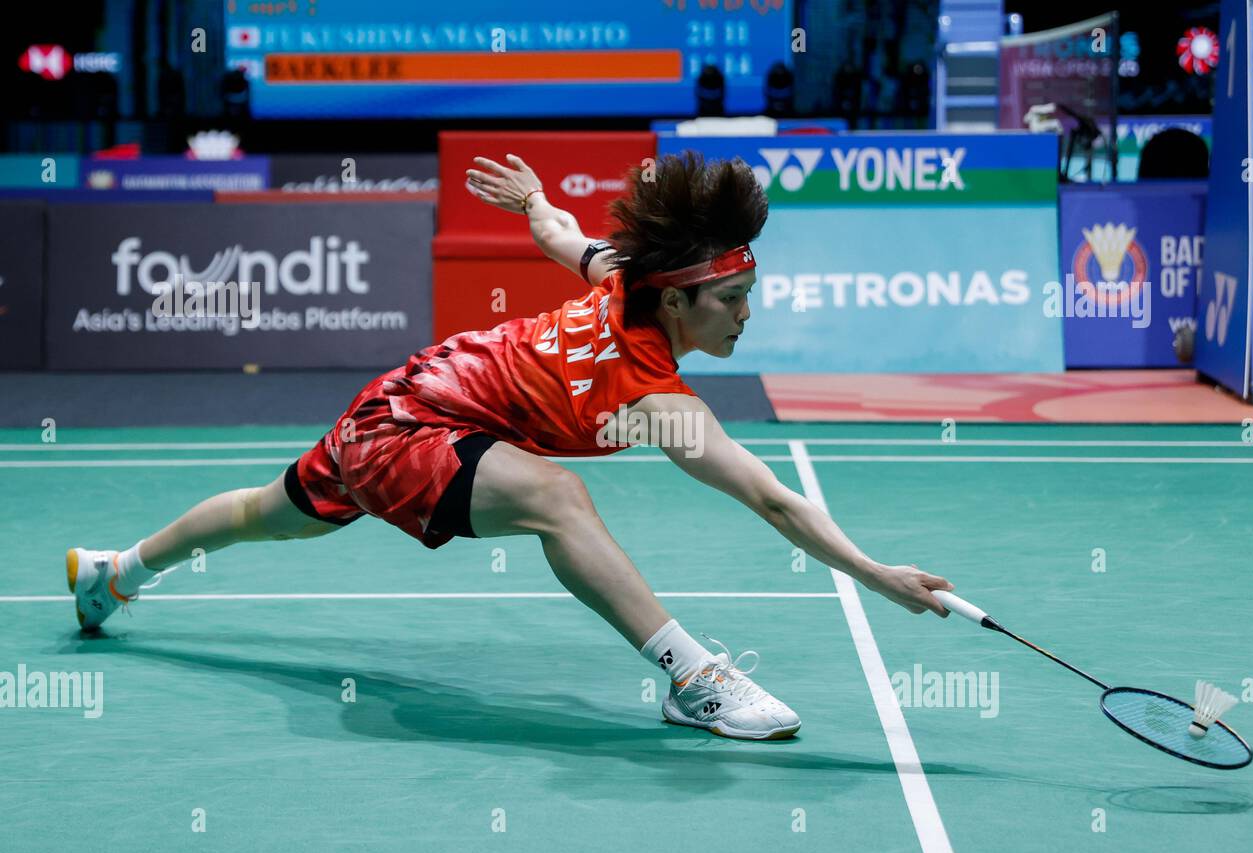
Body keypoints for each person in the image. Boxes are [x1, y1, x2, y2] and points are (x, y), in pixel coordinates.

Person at [67, 150, 952, 741]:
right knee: (556, 499)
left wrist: (533, 201)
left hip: (407, 399)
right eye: (730, 300)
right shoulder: (652, 395)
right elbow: (770, 497)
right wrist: (881, 576)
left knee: (274, 513)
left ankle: (115, 575)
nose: (746, 316)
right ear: (677, 300)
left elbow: (563, 235)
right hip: (410, 426)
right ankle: (697, 682)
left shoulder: (622, 278)